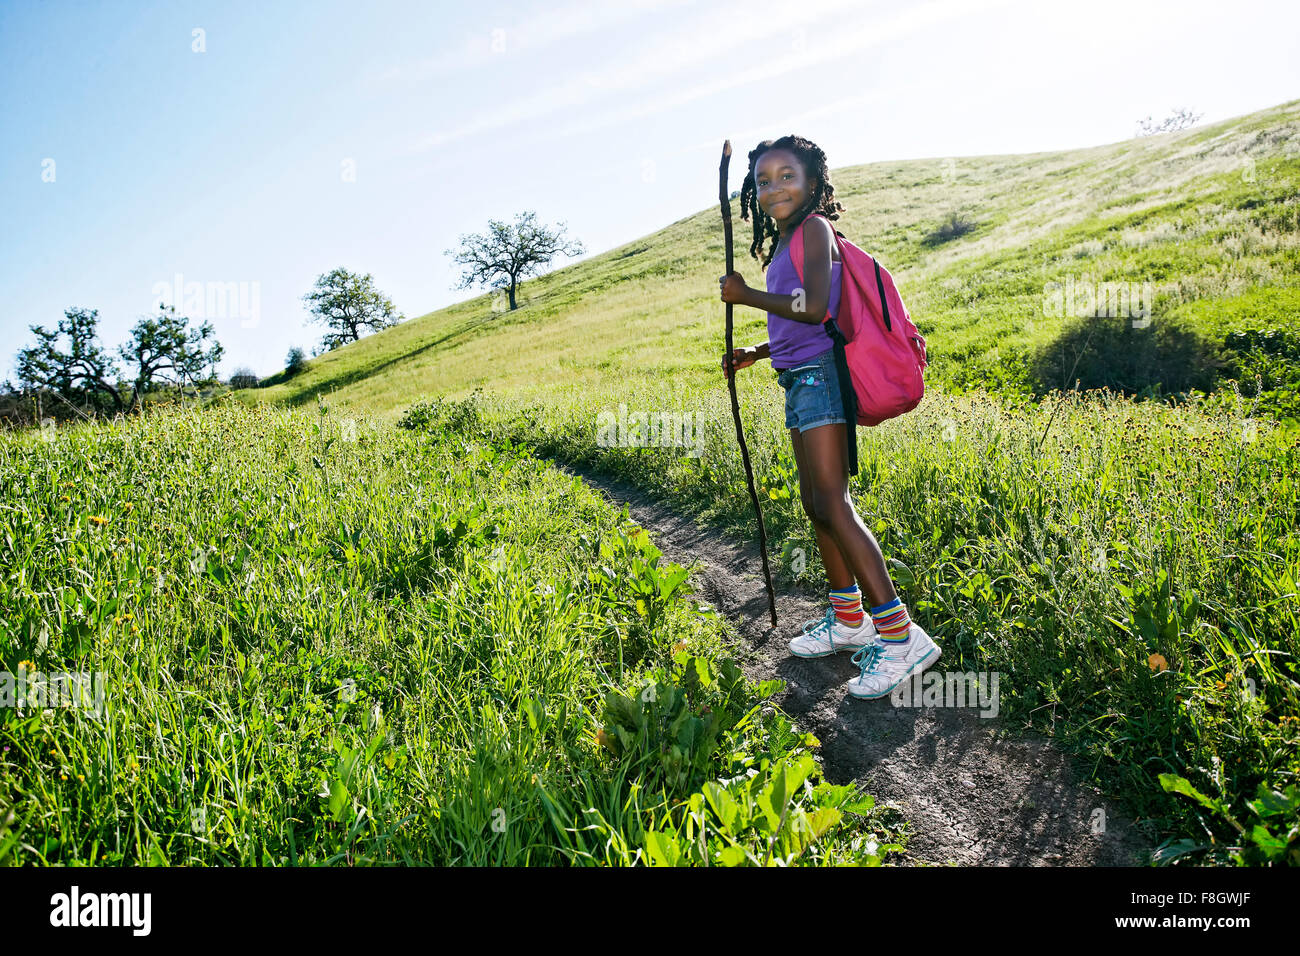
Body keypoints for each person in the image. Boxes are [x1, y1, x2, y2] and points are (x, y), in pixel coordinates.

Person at [717, 134, 940, 700]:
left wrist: (745, 297)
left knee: (835, 502)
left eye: (786, 175)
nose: (773, 189)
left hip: (821, 378)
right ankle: (848, 622)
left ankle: (900, 635)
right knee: (816, 504)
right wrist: (757, 351)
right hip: (799, 376)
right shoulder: (788, 242)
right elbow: (801, 318)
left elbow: (815, 307)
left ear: (813, 180)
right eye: (763, 181)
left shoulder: (815, 230)